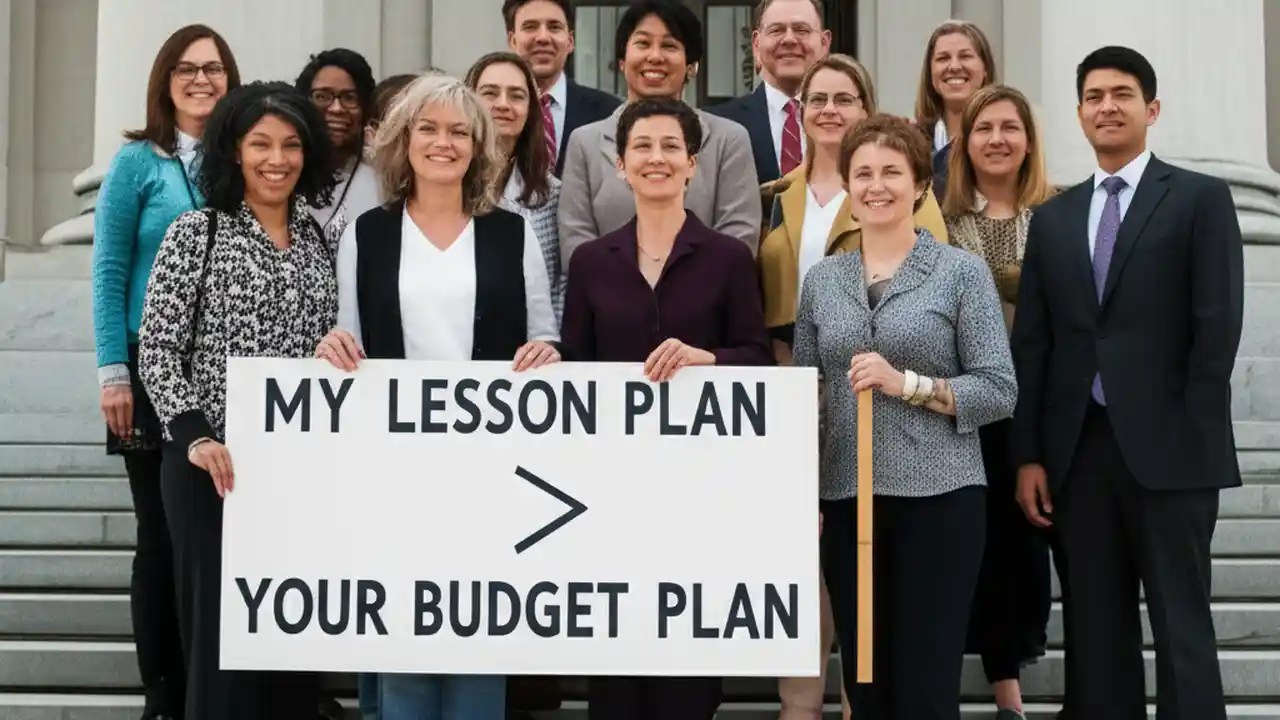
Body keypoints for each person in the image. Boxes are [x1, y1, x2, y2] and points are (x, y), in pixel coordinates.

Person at [314, 73, 559, 720]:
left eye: (458, 131)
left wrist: (546, 354)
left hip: (492, 467)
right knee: (404, 636)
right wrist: (332, 349)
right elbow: (349, 334)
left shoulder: (514, 231)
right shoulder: (368, 232)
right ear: (403, 139)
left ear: (479, 146)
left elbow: (544, 337)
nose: (442, 142)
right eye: (428, 128)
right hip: (397, 469)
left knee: (479, 632)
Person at [1010, 46, 1243, 720]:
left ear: (1152, 108)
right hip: (1080, 454)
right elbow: (1035, 345)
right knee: (1094, 628)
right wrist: (1029, 454)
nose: (1106, 106)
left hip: (1172, 452)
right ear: (1079, 112)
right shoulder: (1054, 218)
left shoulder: (1199, 198)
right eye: (1093, 96)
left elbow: (1217, 326)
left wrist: (1192, 438)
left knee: (1181, 626)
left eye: (1121, 94)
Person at [793, 114, 1015, 719]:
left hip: (940, 500)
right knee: (865, 684)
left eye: (892, 171)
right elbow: (806, 397)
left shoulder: (960, 272)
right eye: (862, 172)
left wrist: (908, 384)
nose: (876, 185)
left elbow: (999, 389)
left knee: (924, 681)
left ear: (920, 185)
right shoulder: (821, 282)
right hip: (845, 497)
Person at [560, 98, 771, 720]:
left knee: (687, 682)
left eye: (670, 147)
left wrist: (707, 359)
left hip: (701, 489)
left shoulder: (730, 260)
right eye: (642, 147)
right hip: (611, 493)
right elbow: (576, 366)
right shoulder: (591, 263)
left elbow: (758, 359)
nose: (657, 158)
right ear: (621, 165)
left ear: (693, 164)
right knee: (617, 679)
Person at [137, 81, 336, 720]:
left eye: (290, 145)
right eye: (260, 144)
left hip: (293, 470)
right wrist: (196, 435)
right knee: (220, 643)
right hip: (210, 469)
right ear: (234, 151)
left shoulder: (317, 239)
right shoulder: (198, 232)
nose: (276, 159)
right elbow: (159, 349)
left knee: (288, 641)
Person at [758, 54, 948, 720]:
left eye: (846, 98)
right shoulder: (775, 193)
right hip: (795, 385)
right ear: (800, 111)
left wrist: (906, 379)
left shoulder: (914, 217)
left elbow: (945, 314)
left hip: (894, 409)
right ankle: (800, 706)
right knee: (807, 567)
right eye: (818, 98)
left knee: (871, 600)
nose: (830, 110)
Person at [91, 24, 240, 720]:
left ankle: (216, 685)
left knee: (212, 540)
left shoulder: (243, 158)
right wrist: (111, 371)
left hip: (229, 378)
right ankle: (164, 693)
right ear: (164, 80)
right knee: (160, 536)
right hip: (147, 380)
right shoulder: (137, 162)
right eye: (185, 69)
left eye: (213, 68)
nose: (201, 80)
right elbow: (110, 266)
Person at [941, 84, 1055, 720]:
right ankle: (1001, 680)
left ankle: (1011, 669)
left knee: (1025, 544)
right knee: (981, 542)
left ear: (1028, 140)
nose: (997, 140)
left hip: (1038, 402)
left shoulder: (1061, 214)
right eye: (984, 129)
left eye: (1010, 128)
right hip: (966, 405)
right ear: (965, 143)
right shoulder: (940, 217)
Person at [559, 0, 762, 270]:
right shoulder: (585, 142)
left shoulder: (729, 139)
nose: (655, 56)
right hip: (610, 305)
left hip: (703, 306)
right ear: (622, 60)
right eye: (642, 43)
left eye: (669, 46)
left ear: (692, 66)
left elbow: (739, 240)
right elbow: (576, 241)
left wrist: (673, 294)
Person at [466, 51, 564, 322]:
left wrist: (549, 346)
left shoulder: (552, 194)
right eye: (490, 93)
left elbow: (557, 287)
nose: (503, 104)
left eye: (517, 95)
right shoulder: (444, 186)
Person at [706, 0, 831, 184]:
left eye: (801, 30)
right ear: (756, 45)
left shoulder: (850, 124)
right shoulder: (717, 126)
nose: (789, 39)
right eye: (776, 30)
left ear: (824, 43)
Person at [503, 0, 623, 177]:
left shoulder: (609, 112)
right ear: (512, 40)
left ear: (570, 41)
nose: (543, 37)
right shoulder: (486, 111)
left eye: (554, 27)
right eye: (530, 27)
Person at [296, 48, 381, 242]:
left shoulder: (384, 180)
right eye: (322, 96)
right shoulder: (284, 173)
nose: (336, 108)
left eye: (350, 98)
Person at [914, 19, 996, 196]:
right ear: (930, 72)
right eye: (943, 58)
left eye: (965, 56)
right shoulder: (912, 144)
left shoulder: (1003, 139)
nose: (954, 66)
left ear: (985, 68)